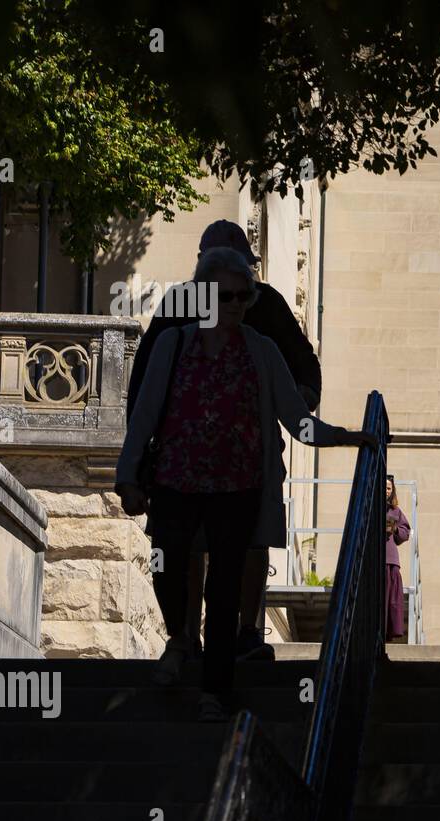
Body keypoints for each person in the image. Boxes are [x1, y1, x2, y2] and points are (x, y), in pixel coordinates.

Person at [115, 248, 377, 721]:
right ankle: (178, 639)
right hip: (175, 482)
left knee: (223, 591)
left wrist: (347, 437)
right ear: (203, 295)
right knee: (170, 569)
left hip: (237, 490)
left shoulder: (261, 350)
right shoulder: (174, 345)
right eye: (225, 295)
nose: (235, 304)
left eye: (243, 296)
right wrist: (127, 475)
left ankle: (214, 691)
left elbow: (298, 422)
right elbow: (145, 416)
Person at [128, 220, 323, 671]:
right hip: (186, 453)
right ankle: (194, 637)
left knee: (247, 541)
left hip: (247, 452)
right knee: (194, 545)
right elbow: (144, 385)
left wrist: (288, 403)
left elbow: (306, 372)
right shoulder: (181, 304)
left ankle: (242, 633)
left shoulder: (266, 304)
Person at [385, 476, 411, 640]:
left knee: (392, 601)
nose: (386, 491)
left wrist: (394, 529)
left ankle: (388, 633)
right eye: (384, 487)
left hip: (391, 560)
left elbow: (405, 532)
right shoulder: (369, 507)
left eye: (389, 488)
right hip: (375, 560)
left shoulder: (395, 511)